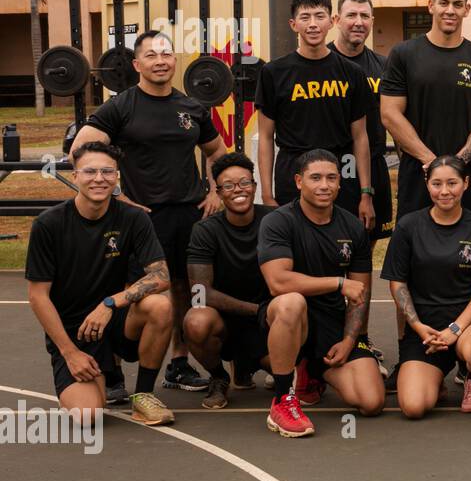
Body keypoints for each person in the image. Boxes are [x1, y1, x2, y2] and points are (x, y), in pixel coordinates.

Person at [72, 29, 226, 396]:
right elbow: (81, 150)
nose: (161, 61)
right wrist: (118, 197)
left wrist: (215, 191)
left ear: (175, 61)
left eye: (166, 54)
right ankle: (111, 373)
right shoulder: (121, 106)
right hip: (139, 218)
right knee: (128, 291)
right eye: (152, 55)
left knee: (183, 288)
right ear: (138, 64)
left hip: (188, 214)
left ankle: (178, 364)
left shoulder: (191, 108)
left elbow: (218, 152)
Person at [25, 142, 174, 427]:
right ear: (75, 175)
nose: (99, 178)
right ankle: (98, 374)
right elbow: (38, 297)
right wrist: (69, 353)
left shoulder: (134, 218)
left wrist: (110, 303)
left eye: (108, 171)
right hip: (74, 330)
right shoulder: (48, 224)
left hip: (114, 321)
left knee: (160, 306)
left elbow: (161, 276)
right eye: (90, 171)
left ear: (117, 177)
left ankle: (143, 395)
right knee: (87, 416)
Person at [257, 150, 382, 437]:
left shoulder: (352, 227)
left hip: (331, 323)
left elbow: (359, 295)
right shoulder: (278, 221)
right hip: (285, 317)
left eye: (331, 178)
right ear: (299, 182)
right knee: (292, 302)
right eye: (315, 178)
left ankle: (311, 369)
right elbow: (278, 282)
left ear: (340, 183)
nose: (324, 185)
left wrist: (350, 340)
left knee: (371, 401)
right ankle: (282, 399)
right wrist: (338, 283)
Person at [382, 156, 471, 418]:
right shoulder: (408, 226)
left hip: (468, 323)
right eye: (437, 183)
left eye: (452, 183)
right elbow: (398, 283)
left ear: (466, 183)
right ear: (427, 184)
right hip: (425, 329)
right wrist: (416, 326)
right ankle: (434, 381)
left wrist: (455, 329)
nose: (444, 191)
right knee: (413, 408)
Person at [381, 0, 471, 220]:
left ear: (467, 9)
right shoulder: (403, 54)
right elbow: (390, 114)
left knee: (470, 249)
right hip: (417, 173)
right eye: (443, 2)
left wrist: (458, 163)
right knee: (414, 248)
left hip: (466, 173)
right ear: (431, 6)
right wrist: (431, 161)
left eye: (458, 4)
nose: (450, 10)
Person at [255, 0, 374, 229]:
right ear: (293, 24)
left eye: (319, 16)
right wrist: (267, 195)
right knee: (295, 245)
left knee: (340, 242)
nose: (312, 24)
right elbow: (266, 137)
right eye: (305, 17)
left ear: (331, 21)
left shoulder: (352, 73)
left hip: (341, 169)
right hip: (292, 170)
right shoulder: (273, 73)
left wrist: (365, 193)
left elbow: (360, 137)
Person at [184, 153, 273, 410]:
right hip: (226, 319)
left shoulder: (276, 220)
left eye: (244, 183)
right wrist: (257, 311)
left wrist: (270, 312)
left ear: (255, 187)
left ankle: (248, 363)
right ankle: (219, 377)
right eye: (229, 186)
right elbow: (200, 293)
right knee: (196, 321)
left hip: (269, 319)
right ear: (219, 192)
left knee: (284, 372)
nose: (239, 190)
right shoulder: (205, 230)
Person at [328, 0, 392, 239]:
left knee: (369, 238)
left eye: (365, 16)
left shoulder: (384, 66)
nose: (358, 22)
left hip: (374, 164)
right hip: (333, 164)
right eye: (351, 15)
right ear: (336, 20)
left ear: (372, 22)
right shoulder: (322, 62)